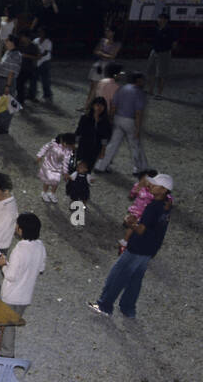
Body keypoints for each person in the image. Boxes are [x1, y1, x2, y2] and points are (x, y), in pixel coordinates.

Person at [88, 173, 173, 318]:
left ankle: (105, 305)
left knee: (117, 275)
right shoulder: (166, 205)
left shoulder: (152, 207)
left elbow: (140, 230)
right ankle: (128, 308)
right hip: (150, 249)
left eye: (155, 185)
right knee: (135, 279)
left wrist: (130, 223)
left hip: (138, 247)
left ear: (164, 190)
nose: (151, 185)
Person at [0, 213, 45, 356]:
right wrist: (10, 265)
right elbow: (40, 268)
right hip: (25, 295)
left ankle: (6, 352)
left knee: (8, 326)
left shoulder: (19, 249)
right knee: (8, 322)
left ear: (21, 230)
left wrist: (3, 264)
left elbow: (10, 276)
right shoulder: (40, 246)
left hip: (11, 295)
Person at [94, 72, 148, 175]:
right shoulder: (139, 92)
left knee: (112, 144)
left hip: (118, 118)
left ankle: (100, 165)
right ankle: (139, 168)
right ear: (138, 80)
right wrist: (138, 128)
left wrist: (111, 118)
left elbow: (114, 105)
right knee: (135, 145)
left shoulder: (122, 89)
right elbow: (138, 112)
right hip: (130, 120)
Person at [120, 170, 174, 252]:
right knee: (132, 227)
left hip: (144, 214)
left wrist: (169, 204)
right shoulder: (142, 188)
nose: (148, 183)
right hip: (136, 211)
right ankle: (125, 242)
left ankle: (125, 244)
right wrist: (136, 190)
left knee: (136, 227)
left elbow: (168, 198)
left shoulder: (154, 200)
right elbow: (131, 195)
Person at [82, 27, 122, 111]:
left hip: (108, 66)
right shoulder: (102, 41)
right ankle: (87, 106)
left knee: (103, 87)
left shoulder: (117, 44)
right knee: (93, 86)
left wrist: (101, 53)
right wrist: (105, 54)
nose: (106, 32)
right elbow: (96, 51)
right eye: (106, 31)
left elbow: (112, 56)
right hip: (99, 64)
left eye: (109, 31)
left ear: (113, 33)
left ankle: (95, 107)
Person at [36, 133, 76, 203]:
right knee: (47, 180)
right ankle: (44, 192)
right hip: (48, 164)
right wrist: (40, 155)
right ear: (62, 140)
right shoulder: (53, 143)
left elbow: (66, 162)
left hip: (58, 167)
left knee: (56, 181)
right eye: (66, 143)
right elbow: (45, 148)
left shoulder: (67, 151)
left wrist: (65, 172)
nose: (66, 145)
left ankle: (52, 193)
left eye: (68, 145)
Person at [74, 97, 112, 171]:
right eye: (97, 105)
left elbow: (105, 138)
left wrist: (103, 150)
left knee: (88, 168)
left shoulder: (106, 122)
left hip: (95, 149)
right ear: (93, 106)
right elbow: (78, 132)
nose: (99, 108)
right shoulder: (85, 118)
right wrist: (75, 144)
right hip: (83, 146)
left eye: (102, 106)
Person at [147, 13, 175, 99]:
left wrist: (168, 50)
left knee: (161, 74)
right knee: (151, 71)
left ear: (166, 20)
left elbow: (174, 42)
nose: (159, 20)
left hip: (164, 53)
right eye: (159, 18)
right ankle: (151, 90)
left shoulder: (170, 30)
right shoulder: (156, 28)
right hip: (154, 51)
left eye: (161, 18)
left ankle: (159, 93)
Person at [30, 26, 54, 103]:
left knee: (45, 80)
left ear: (45, 33)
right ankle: (32, 95)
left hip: (44, 62)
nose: (40, 33)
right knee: (33, 79)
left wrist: (38, 56)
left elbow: (46, 52)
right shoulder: (35, 40)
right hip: (36, 61)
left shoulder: (48, 42)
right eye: (39, 31)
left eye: (41, 32)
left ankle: (47, 95)